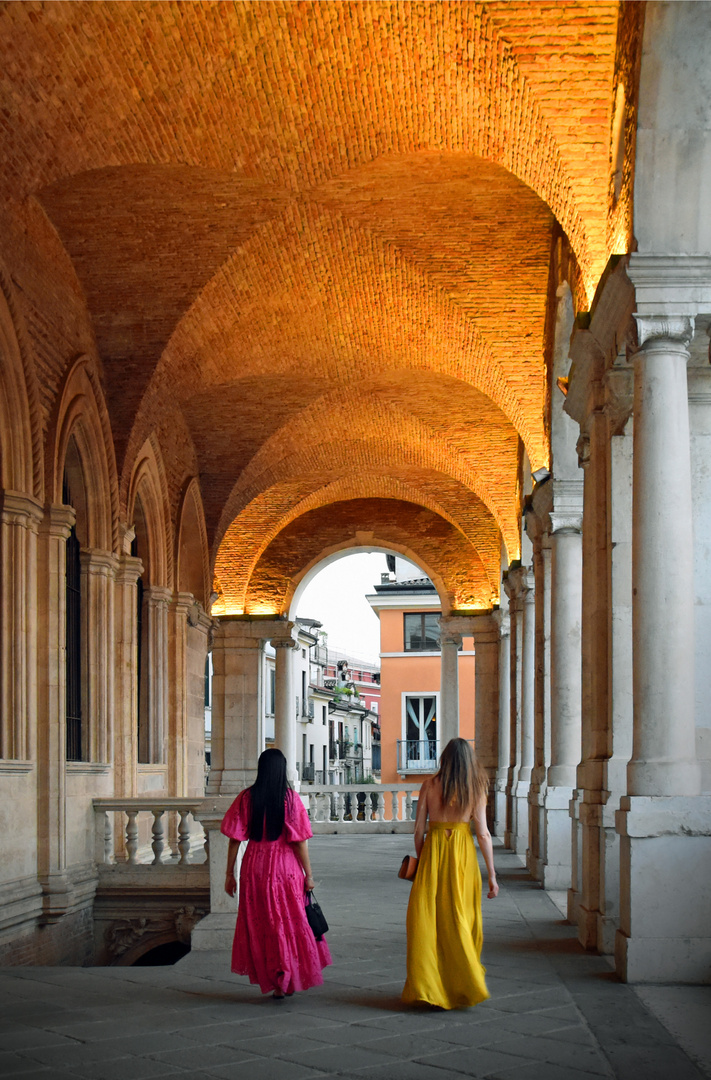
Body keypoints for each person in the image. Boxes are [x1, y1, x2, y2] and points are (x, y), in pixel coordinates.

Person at [222, 747, 331, 999]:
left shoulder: (246, 798)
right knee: (287, 922)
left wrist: (230, 874)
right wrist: (309, 874)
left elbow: (234, 840)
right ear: (281, 770)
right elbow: (300, 841)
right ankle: (286, 977)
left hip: (254, 867)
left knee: (263, 925)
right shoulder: (290, 799)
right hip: (285, 868)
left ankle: (274, 978)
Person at [402, 737, 498, 1009]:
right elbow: (483, 834)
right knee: (461, 918)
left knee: (428, 921)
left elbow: (419, 829)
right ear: (469, 760)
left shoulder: (429, 785)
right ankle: (463, 982)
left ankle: (428, 985)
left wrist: (423, 860)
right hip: (462, 857)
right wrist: (491, 873)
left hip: (433, 854)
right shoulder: (476, 787)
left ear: (444, 758)